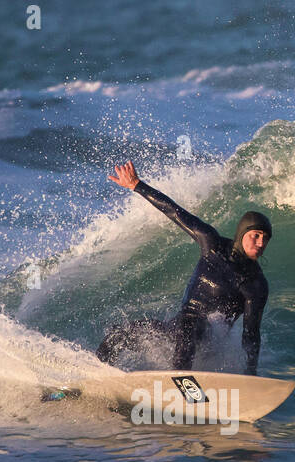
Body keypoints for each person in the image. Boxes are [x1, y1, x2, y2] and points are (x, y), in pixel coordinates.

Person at [97, 161, 272, 375]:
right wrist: (136, 185)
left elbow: (251, 334)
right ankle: (96, 375)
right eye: (256, 236)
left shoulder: (256, 284)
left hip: (209, 337)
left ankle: (181, 381)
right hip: (178, 328)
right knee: (120, 335)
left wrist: (250, 375)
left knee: (193, 324)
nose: (261, 243)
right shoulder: (212, 244)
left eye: (265, 239)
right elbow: (174, 212)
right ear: (243, 233)